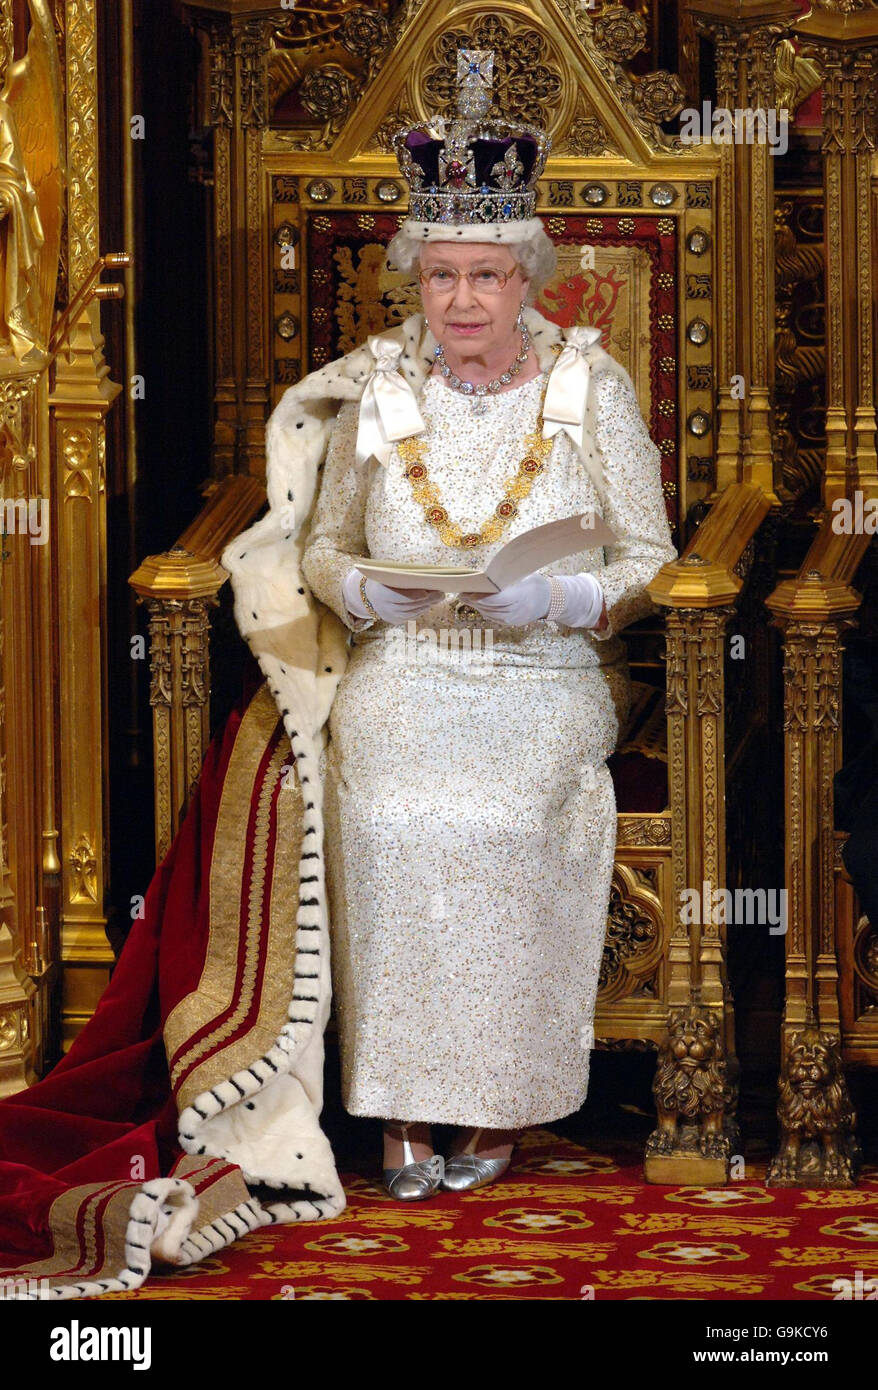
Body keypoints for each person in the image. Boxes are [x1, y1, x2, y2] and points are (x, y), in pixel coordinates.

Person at [290, 49, 679, 1199]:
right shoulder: (374, 386)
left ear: (527, 279)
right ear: (413, 279)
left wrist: (556, 596)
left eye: (487, 277)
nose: (462, 301)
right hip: (406, 664)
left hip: (544, 672)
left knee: (502, 815)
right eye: (441, 276)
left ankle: (498, 1100)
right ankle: (403, 1102)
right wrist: (362, 592)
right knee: (393, 808)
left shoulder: (588, 387)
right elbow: (320, 545)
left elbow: (650, 555)